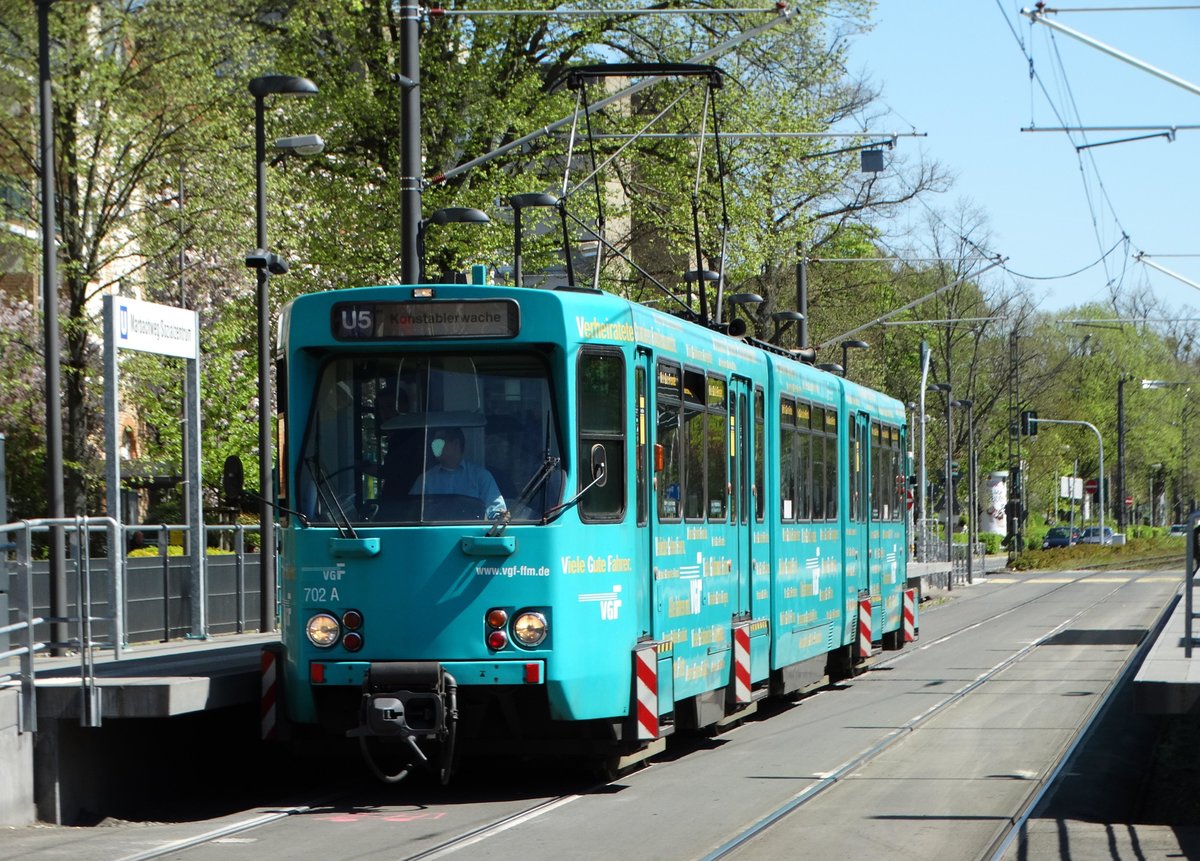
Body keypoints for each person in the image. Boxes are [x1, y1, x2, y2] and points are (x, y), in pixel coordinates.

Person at [411, 427, 506, 519]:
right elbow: (411, 511)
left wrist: (500, 516)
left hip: (472, 533)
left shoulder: (481, 477)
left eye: (439, 441)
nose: (434, 445)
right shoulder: (425, 480)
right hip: (432, 534)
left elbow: (498, 513)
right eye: (433, 442)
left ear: (456, 443)